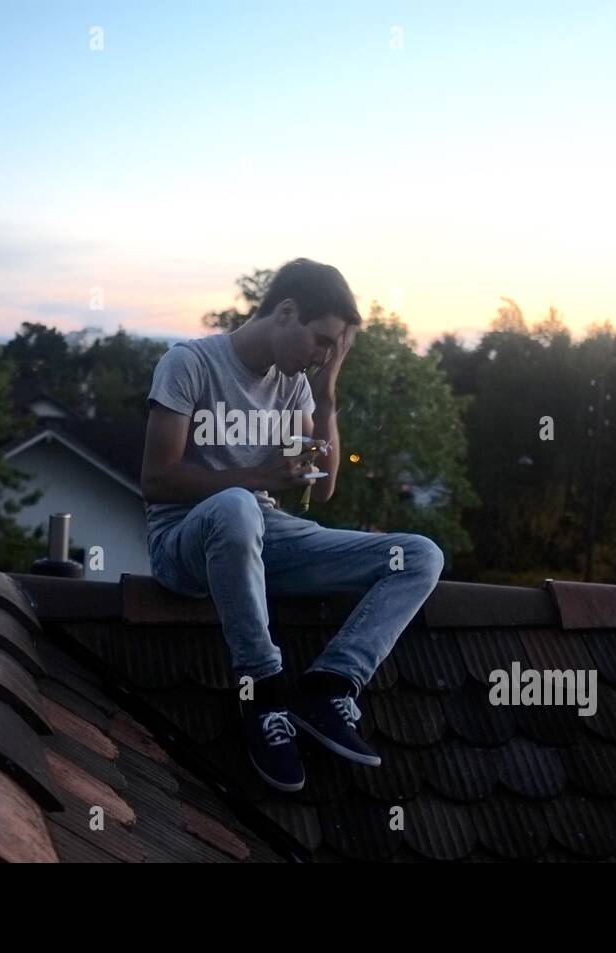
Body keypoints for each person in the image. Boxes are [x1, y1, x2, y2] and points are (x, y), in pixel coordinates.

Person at [140, 258, 445, 791]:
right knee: (237, 506)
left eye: (335, 348)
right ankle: (262, 690)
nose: (325, 355)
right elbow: (157, 480)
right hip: (184, 542)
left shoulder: (297, 386)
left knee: (420, 556)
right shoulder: (188, 363)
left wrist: (327, 395)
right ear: (285, 313)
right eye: (322, 341)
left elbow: (317, 493)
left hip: (265, 537)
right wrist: (258, 476)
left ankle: (329, 686)